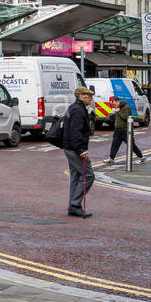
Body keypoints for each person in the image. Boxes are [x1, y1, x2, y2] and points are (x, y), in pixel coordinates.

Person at [63, 86, 96, 218]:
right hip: (74, 148)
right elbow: (75, 131)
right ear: (81, 96)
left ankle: (73, 206)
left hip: (69, 147)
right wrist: (80, 150)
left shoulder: (74, 108)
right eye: (88, 96)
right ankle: (75, 204)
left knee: (76, 176)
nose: (90, 99)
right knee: (89, 175)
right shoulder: (78, 110)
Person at [105, 96, 144, 165]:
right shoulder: (118, 108)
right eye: (113, 104)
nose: (114, 105)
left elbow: (126, 117)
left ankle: (141, 157)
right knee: (114, 145)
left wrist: (118, 112)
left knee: (131, 145)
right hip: (117, 130)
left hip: (125, 130)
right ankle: (111, 158)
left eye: (115, 104)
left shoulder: (126, 108)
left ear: (118, 102)